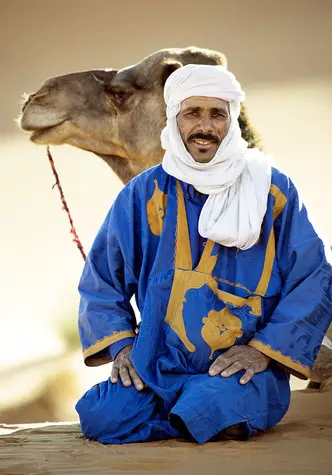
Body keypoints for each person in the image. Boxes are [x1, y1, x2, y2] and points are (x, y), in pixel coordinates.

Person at [75, 65, 332, 445]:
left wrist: (262, 352)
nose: (205, 126)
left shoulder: (272, 191)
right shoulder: (142, 194)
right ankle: (185, 415)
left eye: (217, 114)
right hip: (157, 362)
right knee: (101, 416)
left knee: (213, 404)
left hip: (240, 369)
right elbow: (101, 280)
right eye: (192, 113)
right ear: (173, 119)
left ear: (231, 121)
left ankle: (193, 414)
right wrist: (122, 346)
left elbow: (312, 277)